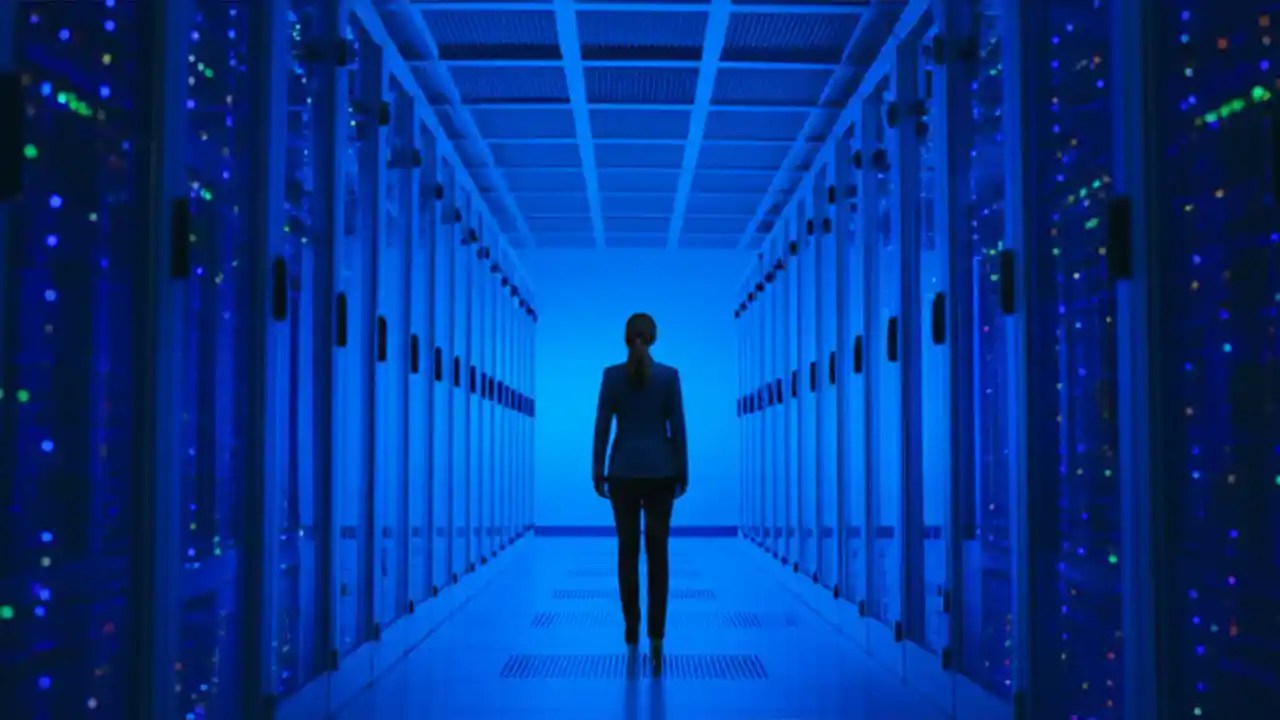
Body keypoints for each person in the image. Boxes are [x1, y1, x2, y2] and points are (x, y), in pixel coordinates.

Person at [592, 312, 688, 676]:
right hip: (661, 473)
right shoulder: (669, 376)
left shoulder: (611, 376)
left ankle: (631, 633)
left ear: (626, 338)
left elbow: (602, 427)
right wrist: (683, 472)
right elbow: (677, 427)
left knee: (627, 553)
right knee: (658, 555)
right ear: (653, 337)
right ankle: (657, 638)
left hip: (623, 474)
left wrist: (597, 471)